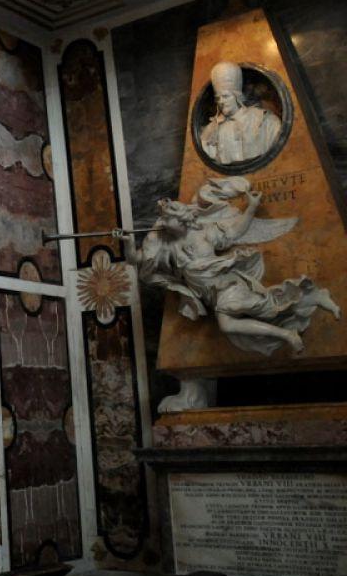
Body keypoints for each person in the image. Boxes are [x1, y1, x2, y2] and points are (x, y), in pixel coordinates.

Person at [120, 177, 339, 355]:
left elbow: (235, 232)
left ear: (183, 219)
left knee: (257, 312)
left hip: (226, 285)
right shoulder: (166, 245)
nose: (162, 223)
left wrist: (251, 208)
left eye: (168, 219)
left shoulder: (206, 233)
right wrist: (128, 243)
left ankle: (302, 313)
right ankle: (304, 311)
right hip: (211, 295)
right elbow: (136, 259)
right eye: (164, 219)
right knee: (264, 311)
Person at [199, 61, 282, 165]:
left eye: (225, 96)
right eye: (217, 98)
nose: (221, 101)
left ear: (237, 96)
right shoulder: (210, 132)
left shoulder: (265, 121)